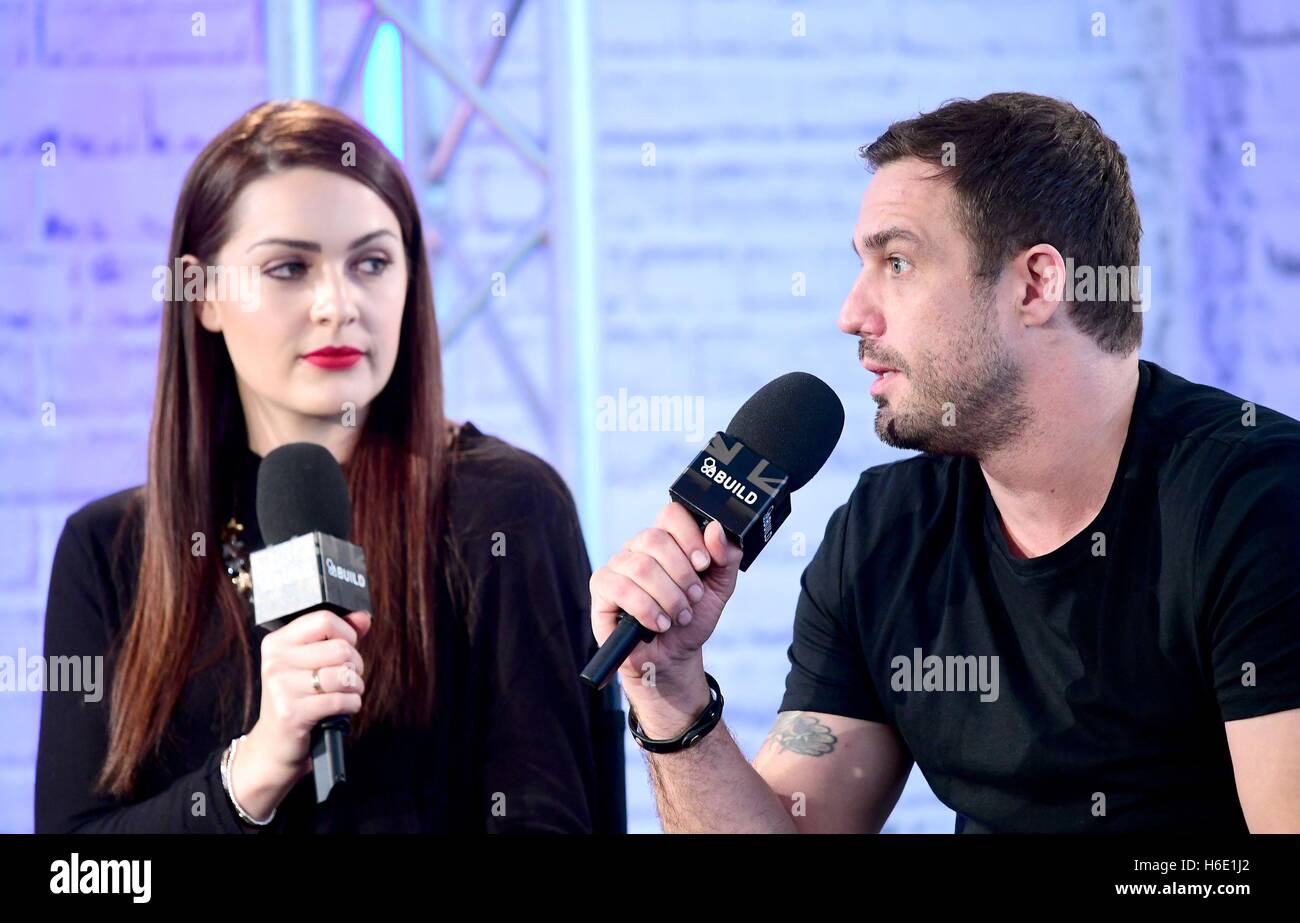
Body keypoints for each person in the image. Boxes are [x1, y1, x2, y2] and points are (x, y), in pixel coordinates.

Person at [590, 92, 1300, 833]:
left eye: (897, 262)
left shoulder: (1258, 504)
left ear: (1034, 284)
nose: (851, 313)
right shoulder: (886, 529)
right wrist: (668, 684)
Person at [36, 100, 604, 833]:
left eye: (371, 261)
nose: (338, 305)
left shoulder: (503, 508)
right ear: (201, 291)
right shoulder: (113, 548)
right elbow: (77, 874)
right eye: (289, 267)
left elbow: (553, 815)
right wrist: (251, 771)